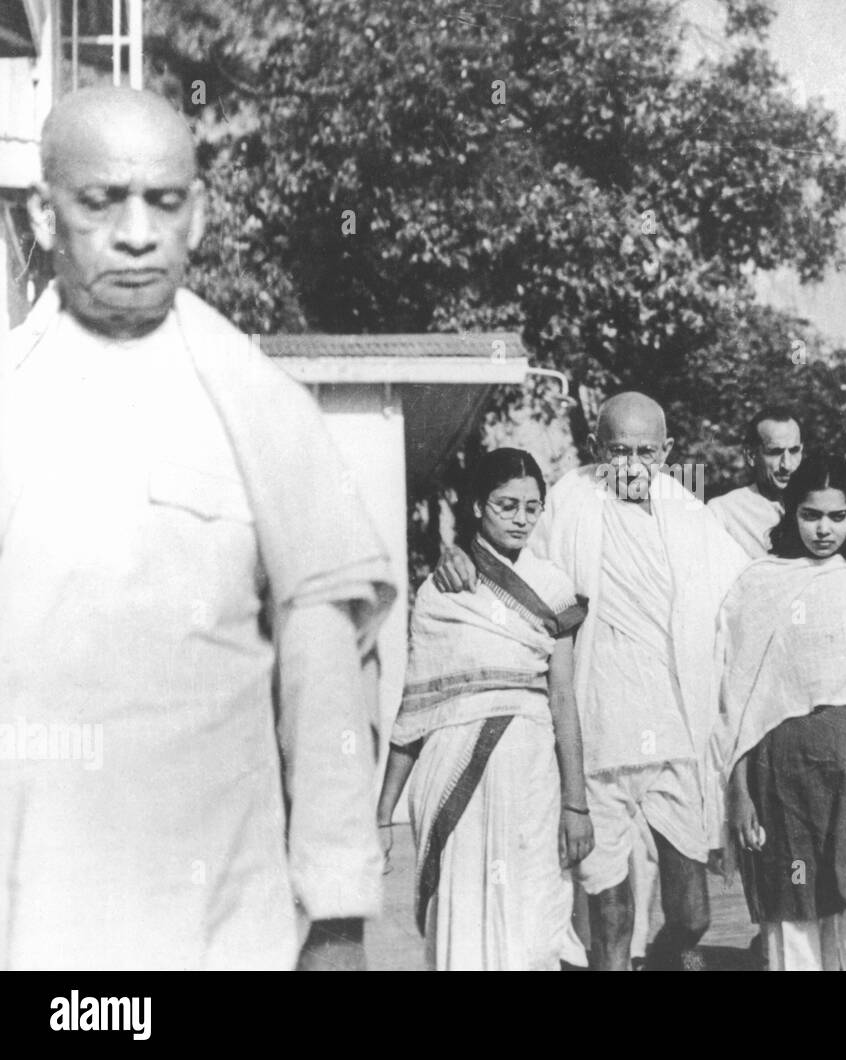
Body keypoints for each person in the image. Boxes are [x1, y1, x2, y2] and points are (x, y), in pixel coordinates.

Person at [0, 87, 396, 970]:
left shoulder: (265, 415)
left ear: (200, 212)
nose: (137, 233)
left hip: (217, 914)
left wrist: (336, 924)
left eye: (165, 201)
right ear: (43, 211)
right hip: (32, 909)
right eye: (100, 201)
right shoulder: (8, 407)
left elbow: (327, 688)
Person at [433, 393, 749, 969]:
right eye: (619, 451)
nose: (631, 464)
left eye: (646, 451)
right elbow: (508, 555)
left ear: (668, 452)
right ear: (597, 449)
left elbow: (748, 593)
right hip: (598, 739)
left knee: (693, 915)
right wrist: (456, 555)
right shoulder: (567, 503)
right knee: (610, 918)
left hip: (674, 738)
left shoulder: (691, 516)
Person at [377, 449, 593, 970]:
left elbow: (563, 699)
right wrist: (382, 814)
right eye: (506, 505)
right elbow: (416, 711)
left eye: (531, 507)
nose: (521, 518)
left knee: (535, 915)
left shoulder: (553, 587)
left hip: (531, 774)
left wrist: (576, 803)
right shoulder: (441, 592)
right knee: (465, 915)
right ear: (478, 505)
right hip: (454, 776)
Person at [713, 454, 846, 971]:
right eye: (810, 515)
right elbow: (735, 702)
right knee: (794, 912)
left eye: (837, 515)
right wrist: (737, 793)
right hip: (783, 775)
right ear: (790, 512)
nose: (823, 529)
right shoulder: (758, 586)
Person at [707, 405, 805, 558]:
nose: (787, 465)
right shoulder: (724, 511)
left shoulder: (818, 505)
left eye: (794, 451)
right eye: (775, 452)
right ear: (751, 455)